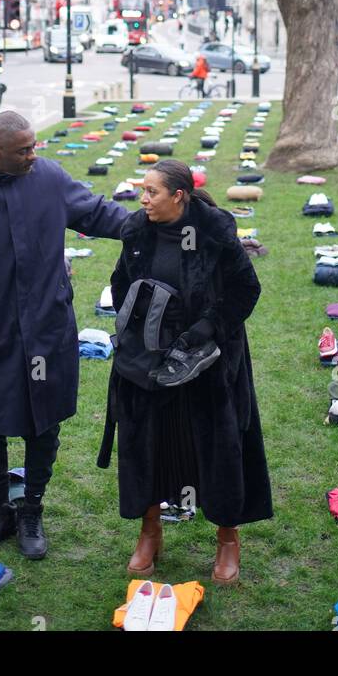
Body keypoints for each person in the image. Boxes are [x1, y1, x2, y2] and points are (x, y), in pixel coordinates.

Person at [0, 111, 128, 561]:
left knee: (43, 421)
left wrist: (150, 221)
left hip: (46, 328)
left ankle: (32, 510)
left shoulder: (48, 177)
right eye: (24, 150)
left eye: (35, 146)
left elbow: (94, 212)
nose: (34, 155)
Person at [97, 160, 272, 585]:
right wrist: (139, 327)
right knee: (148, 443)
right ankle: (150, 531)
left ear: (179, 196)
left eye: (152, 192)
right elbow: (121, 283)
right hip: (149, 357)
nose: (143, 200)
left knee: (215, 445)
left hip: (208, 357)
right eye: (142, 191)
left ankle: (228, 539)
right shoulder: (137, 230)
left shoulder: (213, 230)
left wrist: (205, 329)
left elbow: (246, 289)